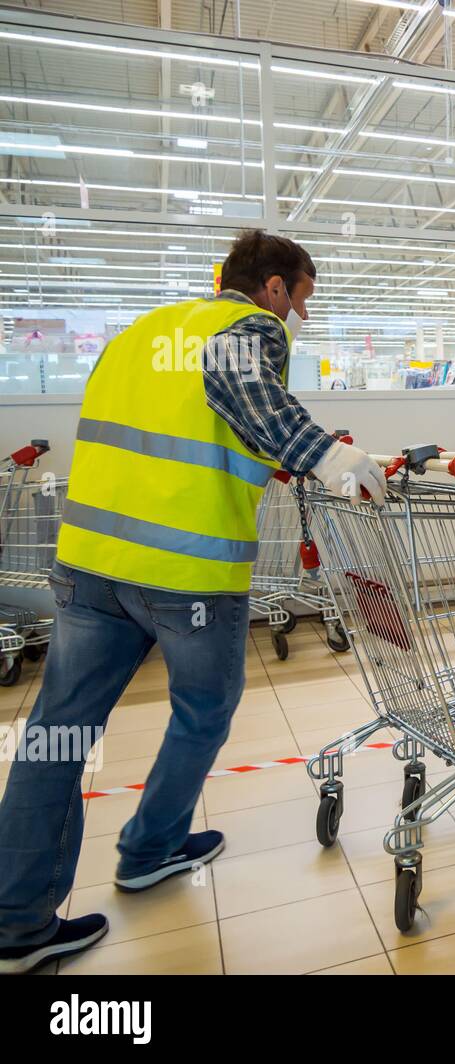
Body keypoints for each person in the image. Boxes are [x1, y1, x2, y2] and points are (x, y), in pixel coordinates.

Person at [0, 230, 384, 974]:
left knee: (56, 737)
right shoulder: (251, 328)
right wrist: (329, 456)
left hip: (90, 565)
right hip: (187, 575)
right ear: (273, 286)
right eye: (303, 297)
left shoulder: (141, 332)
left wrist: (261, 460)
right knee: (204, 709)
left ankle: (16, 921)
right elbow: (243, 391)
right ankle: (152, 848)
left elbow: (177, 423)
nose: (301, 314)